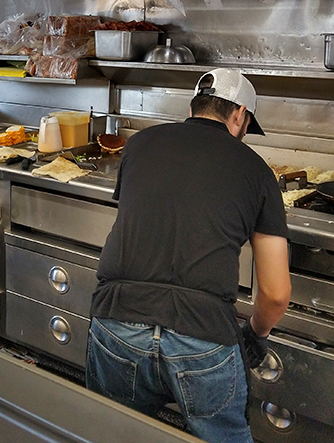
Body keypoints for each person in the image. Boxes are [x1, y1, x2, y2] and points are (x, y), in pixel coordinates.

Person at [86, 68, 291, 443]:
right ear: (240, 114)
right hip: (203, 334)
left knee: (114, 433)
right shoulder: (258, 172)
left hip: (117, 320)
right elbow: (276, 294)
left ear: (196, 105)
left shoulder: (140, 144)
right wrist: (254, 335)